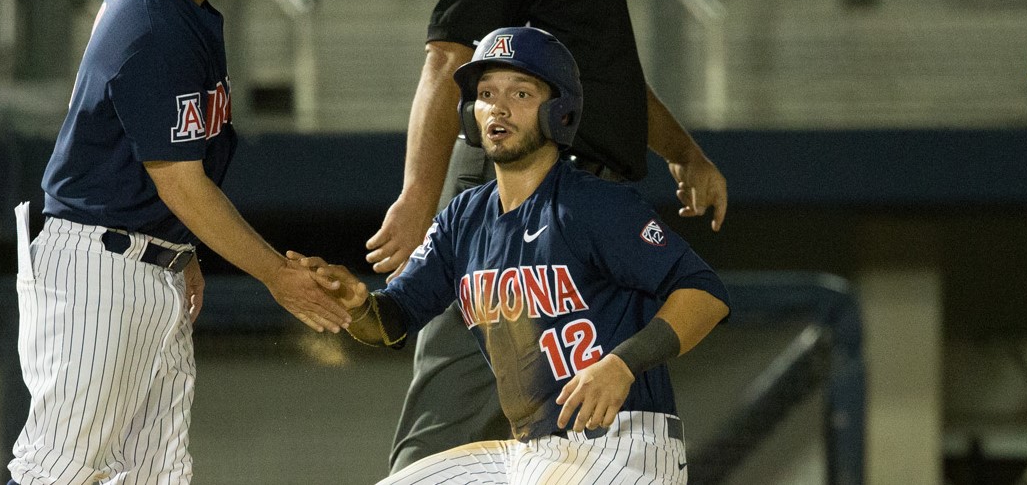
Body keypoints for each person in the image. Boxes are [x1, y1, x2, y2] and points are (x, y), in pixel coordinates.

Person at [363, 0, 730, 472]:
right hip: (511, 184)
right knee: (440, 443)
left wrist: (682, 152)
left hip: (579, 196)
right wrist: (417, 196)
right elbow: (450, 57)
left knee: (583, 434)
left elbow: (604, 77)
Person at [6, 0, 353, 483]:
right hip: (99, 273)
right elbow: (182, 187)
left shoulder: (175, 5)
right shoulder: (151, 26)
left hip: (141, 262)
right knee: (57, 470)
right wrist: (277, 275)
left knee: (154, 474)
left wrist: (181, 247)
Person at [296, 26, 730, 484]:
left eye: (520, 92)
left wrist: (623, 363)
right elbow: (392, 320)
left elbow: (705, 292)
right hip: (528, 451)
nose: (498, 108)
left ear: (559, 112)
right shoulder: (463, 217)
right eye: (485, 93)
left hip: (625, 443)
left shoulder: (593, 204)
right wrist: (355, 304)